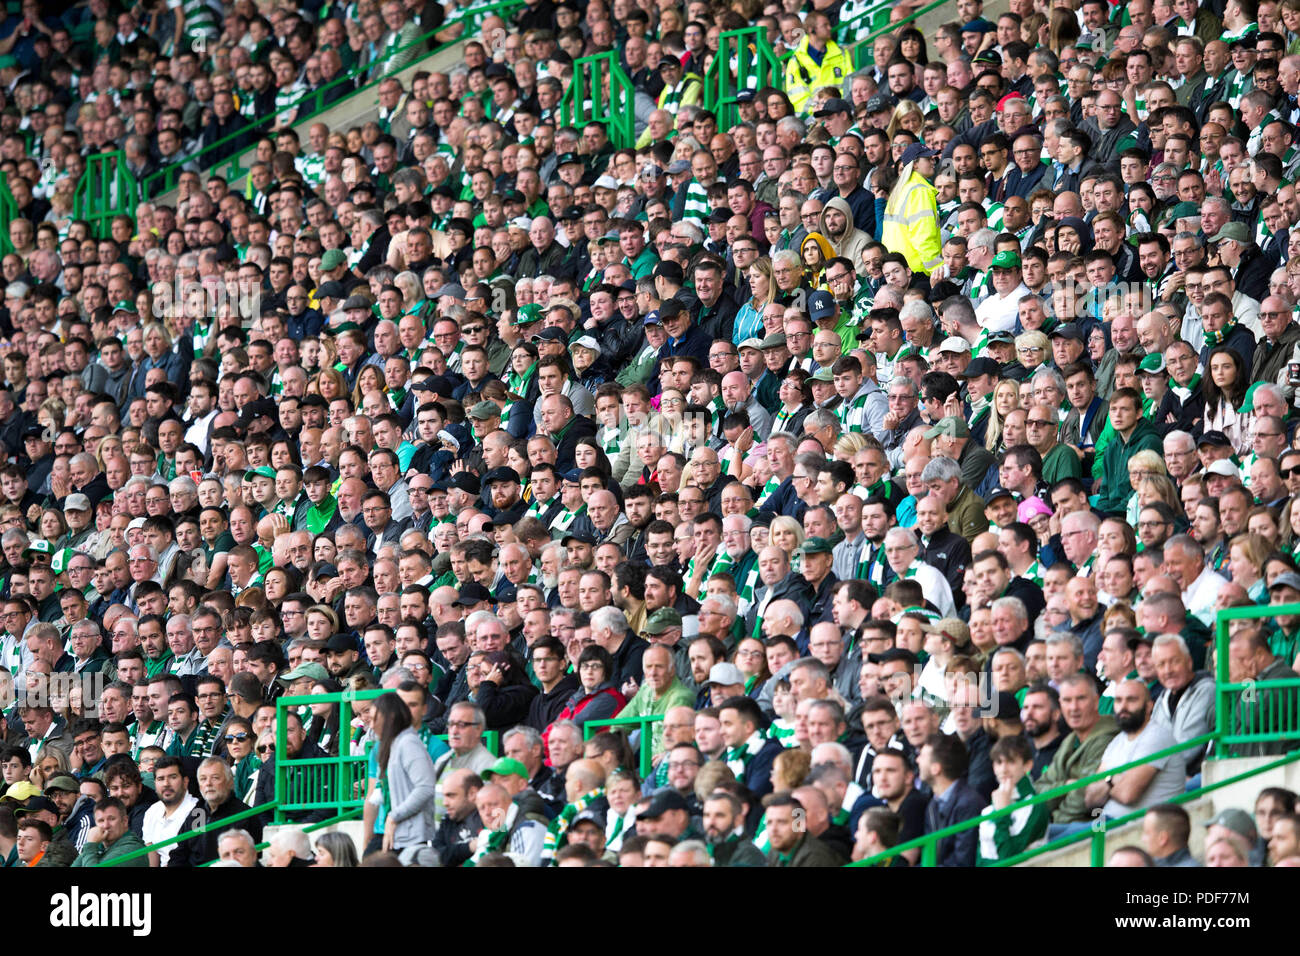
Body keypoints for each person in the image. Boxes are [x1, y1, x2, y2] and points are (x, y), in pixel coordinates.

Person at [371, 692, 438, 867]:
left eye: (374, 719)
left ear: (390, 718)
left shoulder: (408, 743)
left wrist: (394, 816)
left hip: (414, 837)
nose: (371, 725)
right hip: (400, 835)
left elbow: (425, 787)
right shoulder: (394, 744)